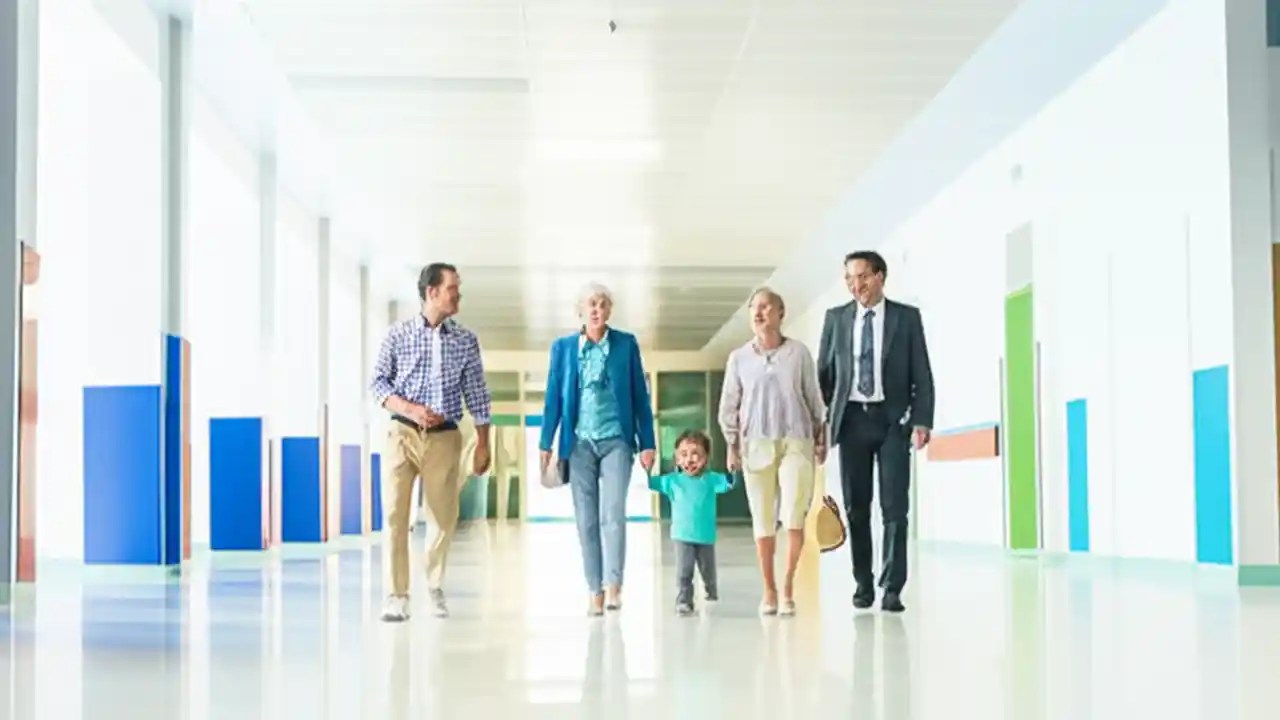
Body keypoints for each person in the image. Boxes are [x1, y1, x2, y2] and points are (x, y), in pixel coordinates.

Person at [370, 262, 492, 621]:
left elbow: (477, 395)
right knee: (395, 515)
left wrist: (483, 443)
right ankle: (396, 594)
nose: (458, 294)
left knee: (443, 516)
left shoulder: (465, 340)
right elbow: (378, 384)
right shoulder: (398, 334)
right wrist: (409, 408)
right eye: (453, 288)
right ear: (432, 292)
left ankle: (434, 585)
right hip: (402, 434)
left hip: (445, 438)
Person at [817, 250, 934, 613]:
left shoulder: (906, 318)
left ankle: (892, 587)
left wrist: (922, 420)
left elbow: (922, 372)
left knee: (895, 508)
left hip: (892, 422)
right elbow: (824, 375)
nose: (856, 285)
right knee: (856, 508)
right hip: (851, 422)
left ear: (880, 276)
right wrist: (822, 423)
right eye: (850, 278)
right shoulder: (836, 319)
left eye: (863, 276)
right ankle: (863, 583)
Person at [540, 282, 656, 616]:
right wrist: (546, 442)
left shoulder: (625, 344)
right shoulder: (563, 348)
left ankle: (614, 585)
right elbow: (553, 398)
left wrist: (647, 442)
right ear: (580, 310)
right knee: (586, 520)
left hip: (617, 439)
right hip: (578, 444)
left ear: (610, 310)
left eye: (603, 304)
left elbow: (640, 396)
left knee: (613, 514)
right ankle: (595, 590)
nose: (597, 309)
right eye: (591, 304)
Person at [719, 287, 827, 617]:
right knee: (763, 520)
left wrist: (821, 436)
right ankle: (769, 589)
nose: (759, 312)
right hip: (755, 444)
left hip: (797, 441)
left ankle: (788, 585)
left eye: (766, 306)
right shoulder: (738, 358)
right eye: (754, 307)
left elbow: (814, 397)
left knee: (794, 515)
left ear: (781, 313)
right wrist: (731, 445)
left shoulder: (798, 353)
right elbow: (729, 405)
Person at [648, 429, 735, 616]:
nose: (689, 459)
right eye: (684, 454)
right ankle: (684, 601)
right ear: (677, 459)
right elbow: (651, 483)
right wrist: (648, 466)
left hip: (705, 536)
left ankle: (711, 590)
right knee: (684, 570)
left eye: (696, 454)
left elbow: (729, 483)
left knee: (707, 569)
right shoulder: (672, 481)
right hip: (682, 536)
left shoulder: (711, 479)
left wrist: (733, 467)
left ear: (706, 458)